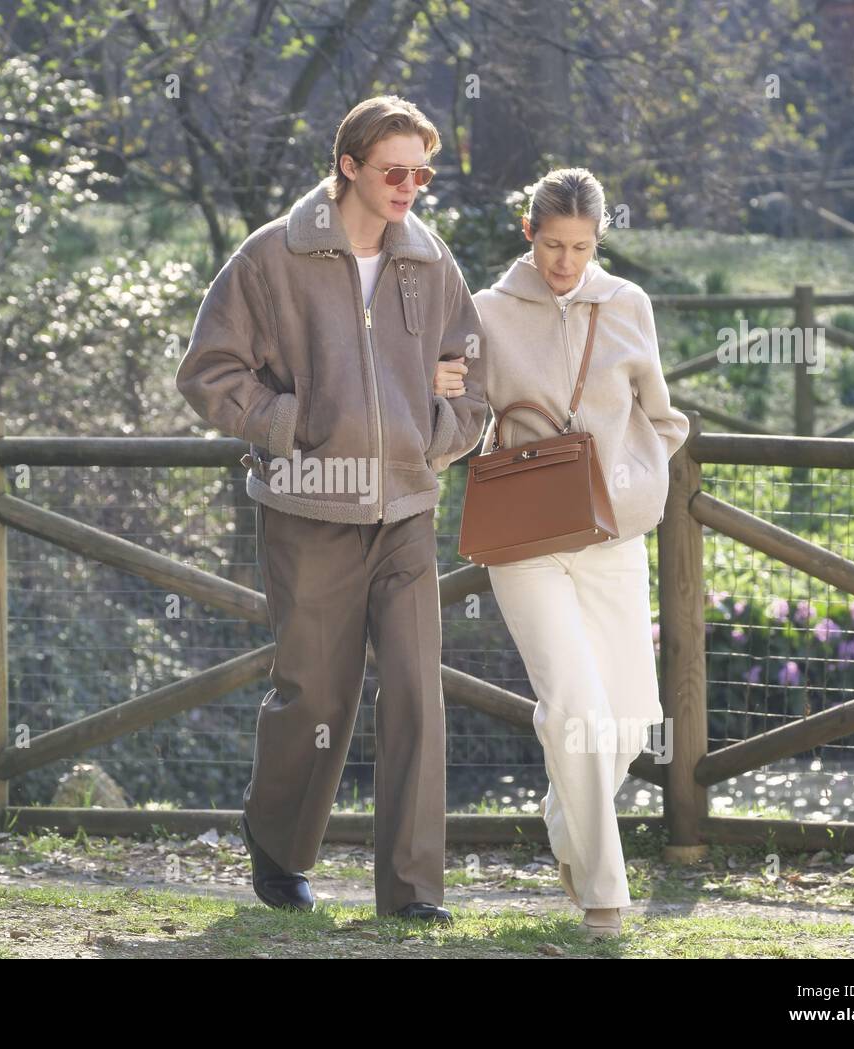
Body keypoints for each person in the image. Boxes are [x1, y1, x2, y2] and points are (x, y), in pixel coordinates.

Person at [175, 95, 488, 922]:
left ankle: (412, 891)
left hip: (407, 513)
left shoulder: (430, 260)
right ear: (347, 165)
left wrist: (441, 433)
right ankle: (278, 845)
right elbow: (207, 373)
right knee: (316, 695)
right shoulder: (271, 257)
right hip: (307, 510)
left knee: (419, 692)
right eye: (394, 170)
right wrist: (289, 426)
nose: (410, 186)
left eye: (421, 171)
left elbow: (473, 370)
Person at [436, 167, 687, 939]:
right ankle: (604, 894)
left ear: (598, 240)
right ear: (529, 233)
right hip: (524, 537)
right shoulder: (485, 310)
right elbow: (459, 420)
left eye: (580, 247)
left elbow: (662, 416)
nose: (565, 263)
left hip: (612, 534)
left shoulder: (628, 304)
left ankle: (564, 817)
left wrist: (641, 484)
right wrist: (437, 386)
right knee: (575, 708)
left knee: (634, 722)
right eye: (552, 245)